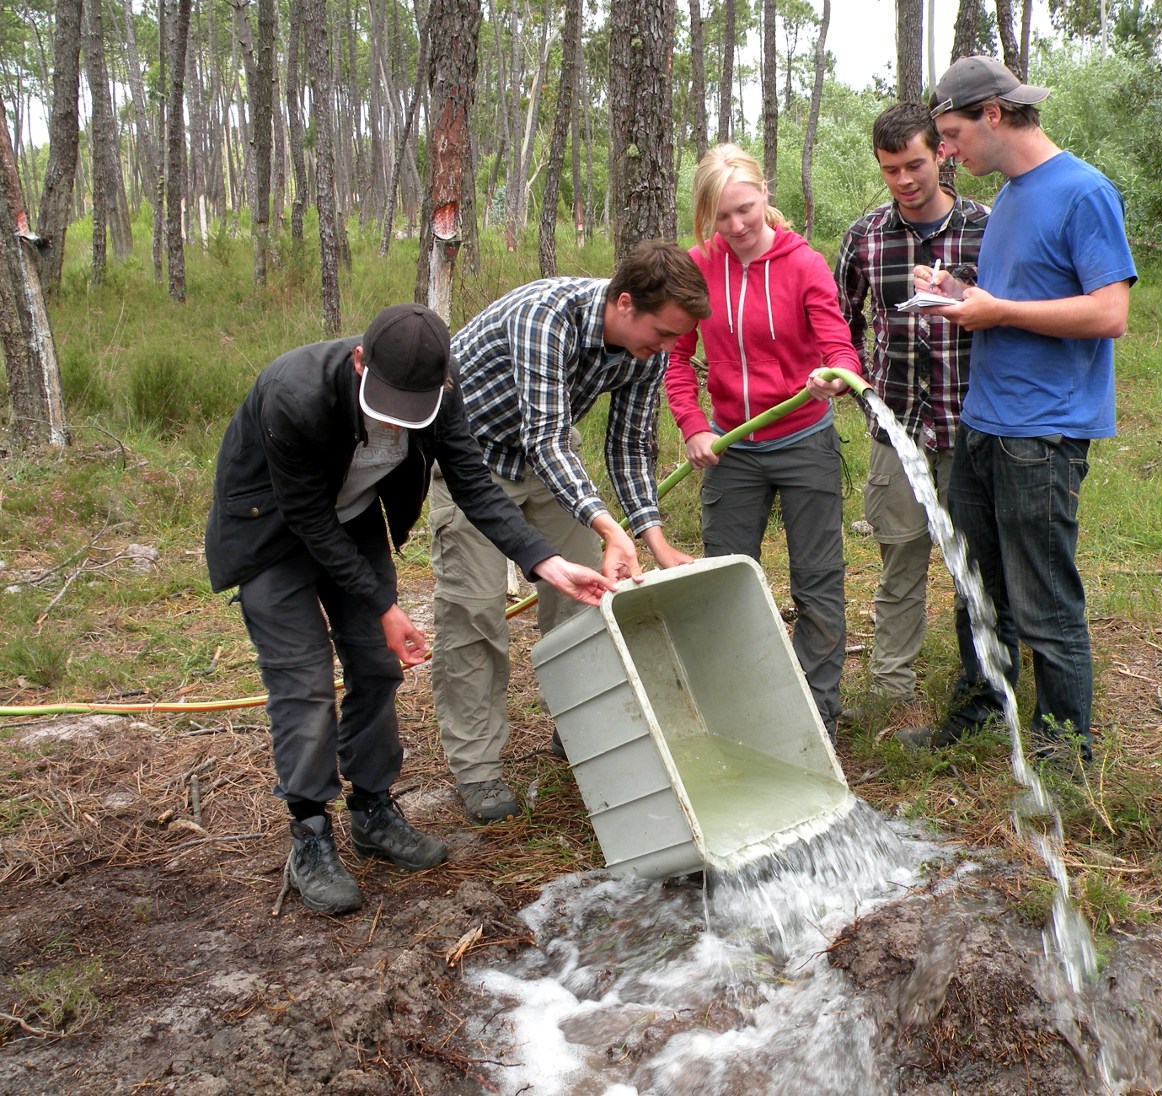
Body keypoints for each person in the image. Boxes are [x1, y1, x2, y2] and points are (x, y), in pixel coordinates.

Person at [205, 304, 614, 915]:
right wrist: (384, 605)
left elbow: (473, 483)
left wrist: (547, 563)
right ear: (360, 362)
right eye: (387, 404)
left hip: (353, 520)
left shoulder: (443, 389)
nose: (396, 420)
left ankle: (372, 810)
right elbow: (308, 518)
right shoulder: (295, 394)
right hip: (271, 530)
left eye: (411, 408)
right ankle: (310, 833)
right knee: (304, 682)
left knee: (376, 667)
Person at [898, 57, 1137, 763]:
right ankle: (980, 713)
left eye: (951, 134)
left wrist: (997, 309)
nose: (945, 152)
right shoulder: (1008, 197)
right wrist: (955, 292)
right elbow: (1015, 297)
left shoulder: (1083, 192)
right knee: (977, 588)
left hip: (1043, 434)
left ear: (994, 115)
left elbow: (1109, 312)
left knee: (1044, 600)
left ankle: (1064, 752)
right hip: (983, 422)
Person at [430, 239, 710, 822]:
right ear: (625, 303)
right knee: (475, 611)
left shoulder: (647, 349)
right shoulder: (546, 315)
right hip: (472, 460)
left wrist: (653, 541)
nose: (666, 349)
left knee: (588, 600)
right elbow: (547, 436)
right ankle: (477, 769)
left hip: (545, 462)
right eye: (662, 333)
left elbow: (628, 446)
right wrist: (609, 527)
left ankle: (582, 728)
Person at [665, 144, 862, 737]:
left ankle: (815, 716)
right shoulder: (699, 266)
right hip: (732, 448)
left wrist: (836, 377)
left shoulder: (805, 264)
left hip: (804, 441)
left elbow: (839, 347)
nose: (736, 226)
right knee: (722, 581)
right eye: (721, 216)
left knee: (817, 582)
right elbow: (675, 357)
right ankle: (731, 712)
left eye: (745, 209)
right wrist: (694, 425)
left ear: (764, 194)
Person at [835, 101, 989, 718]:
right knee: (899, 559)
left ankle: (982, 689)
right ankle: (890, 691)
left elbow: (1013, 312)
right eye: (890, 169)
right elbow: (839, 323)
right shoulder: (865, 237)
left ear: (941, 154)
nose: (904, 180)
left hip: (971, 425)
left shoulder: (986, 228)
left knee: (975, 565)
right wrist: (854, 380)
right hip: (894, 427)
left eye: (915, 165)